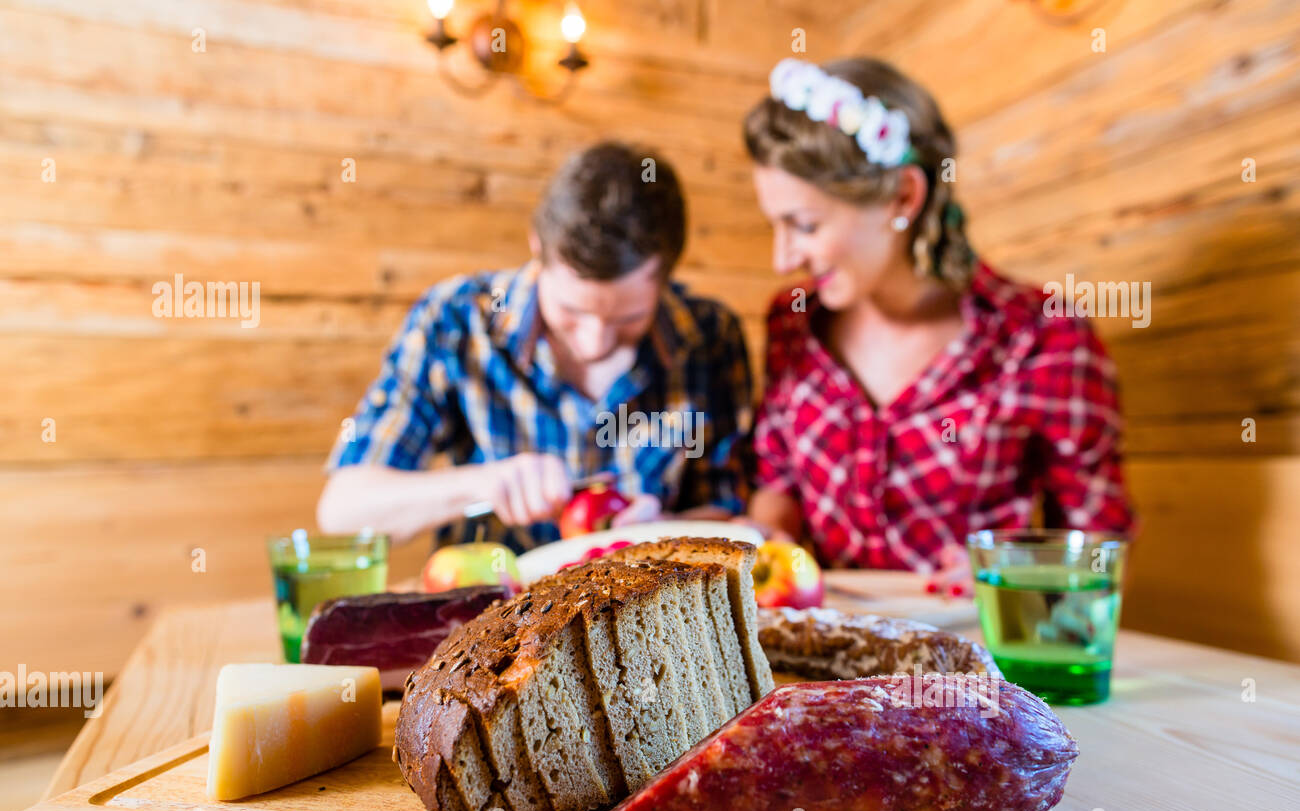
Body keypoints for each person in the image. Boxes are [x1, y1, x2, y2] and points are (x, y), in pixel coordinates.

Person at [741, 58, 1136, 593]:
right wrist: (765, 536)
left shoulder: (1041, 338)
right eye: (773, 225)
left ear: (904, 196)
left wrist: (1014, 576)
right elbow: (779, 480)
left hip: (976, 663)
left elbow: (1098, 545)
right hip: (822, 654)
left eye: (805, 225)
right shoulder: (792, 324)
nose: (782, 257)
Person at [318, 142, 753, 553]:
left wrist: (664, 529)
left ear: (665, 277)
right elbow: (344, 510)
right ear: (536, 248)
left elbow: (725, 505)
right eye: (570, 311)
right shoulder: (457, 320)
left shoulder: (710, 336)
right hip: (492, 618)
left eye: (627, 320)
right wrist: (485, 484)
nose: (593, 341)